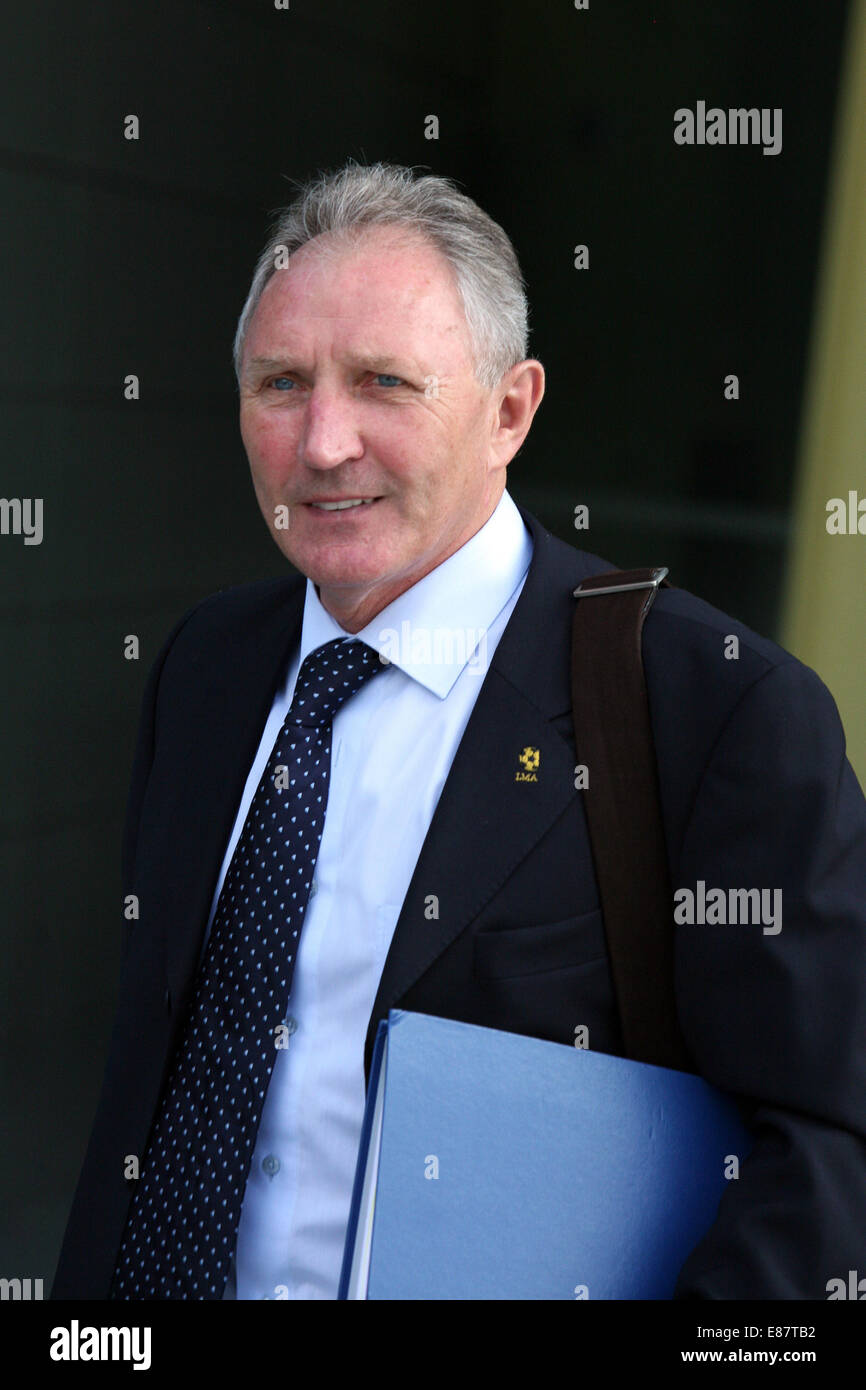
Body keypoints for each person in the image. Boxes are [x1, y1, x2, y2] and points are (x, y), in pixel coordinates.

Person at [51, 161, 866, 1301]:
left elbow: (827, 1165)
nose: (323, 441)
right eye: (281, 382)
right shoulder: (206, 667)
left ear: (508, 409)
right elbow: (153, 1091)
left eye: (384, 382)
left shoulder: (713, 711)